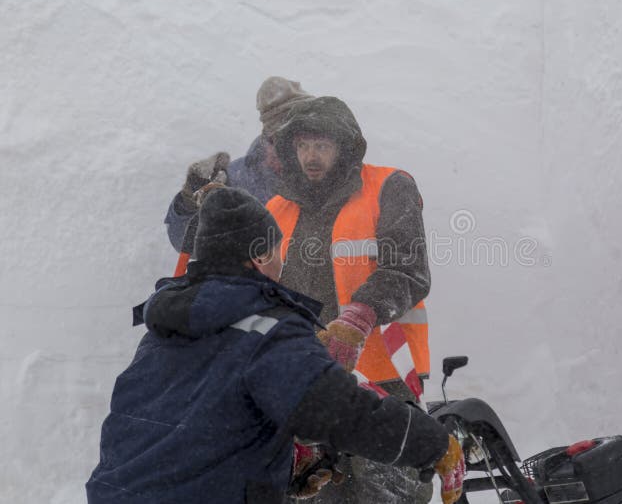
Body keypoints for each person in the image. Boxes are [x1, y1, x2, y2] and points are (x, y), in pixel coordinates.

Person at [86, 188, 464, 504]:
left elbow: (189, 434)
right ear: (261, 255)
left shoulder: (164, 330)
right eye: (278, 248)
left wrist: (272, 466)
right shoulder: (268, 325)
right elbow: (338, 411)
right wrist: (433, 445)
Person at [266, 96, 433, 502]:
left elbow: (409, 269)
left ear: (345, 146)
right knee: (315, 496)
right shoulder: (276, 208)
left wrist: (360, 314)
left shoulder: (389, 186)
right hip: (308, 383)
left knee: (385, 495)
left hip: (383, 378)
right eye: (303, 145)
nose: (311, 156)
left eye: (321, 145)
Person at [164, 76, 314, 253]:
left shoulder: (334, 177)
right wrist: (190, 203)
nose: (291, 152)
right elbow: (190, 245)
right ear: (267, 140)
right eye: (280, 141)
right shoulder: (236, 182)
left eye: (301, 142)